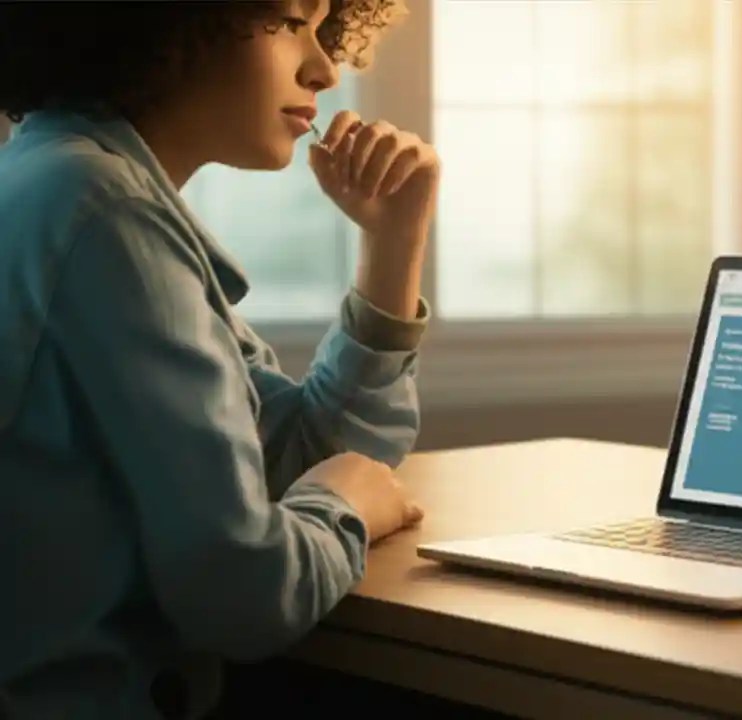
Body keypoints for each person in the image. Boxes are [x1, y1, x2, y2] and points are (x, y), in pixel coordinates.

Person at [0, 1, 442, 717]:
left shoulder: (61, 177)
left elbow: (300, 455)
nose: (324, 69)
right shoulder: (106, 212)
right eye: (292, 22)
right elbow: (242, 593)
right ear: (179, 21)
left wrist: (394, 246)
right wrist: (344, 508)